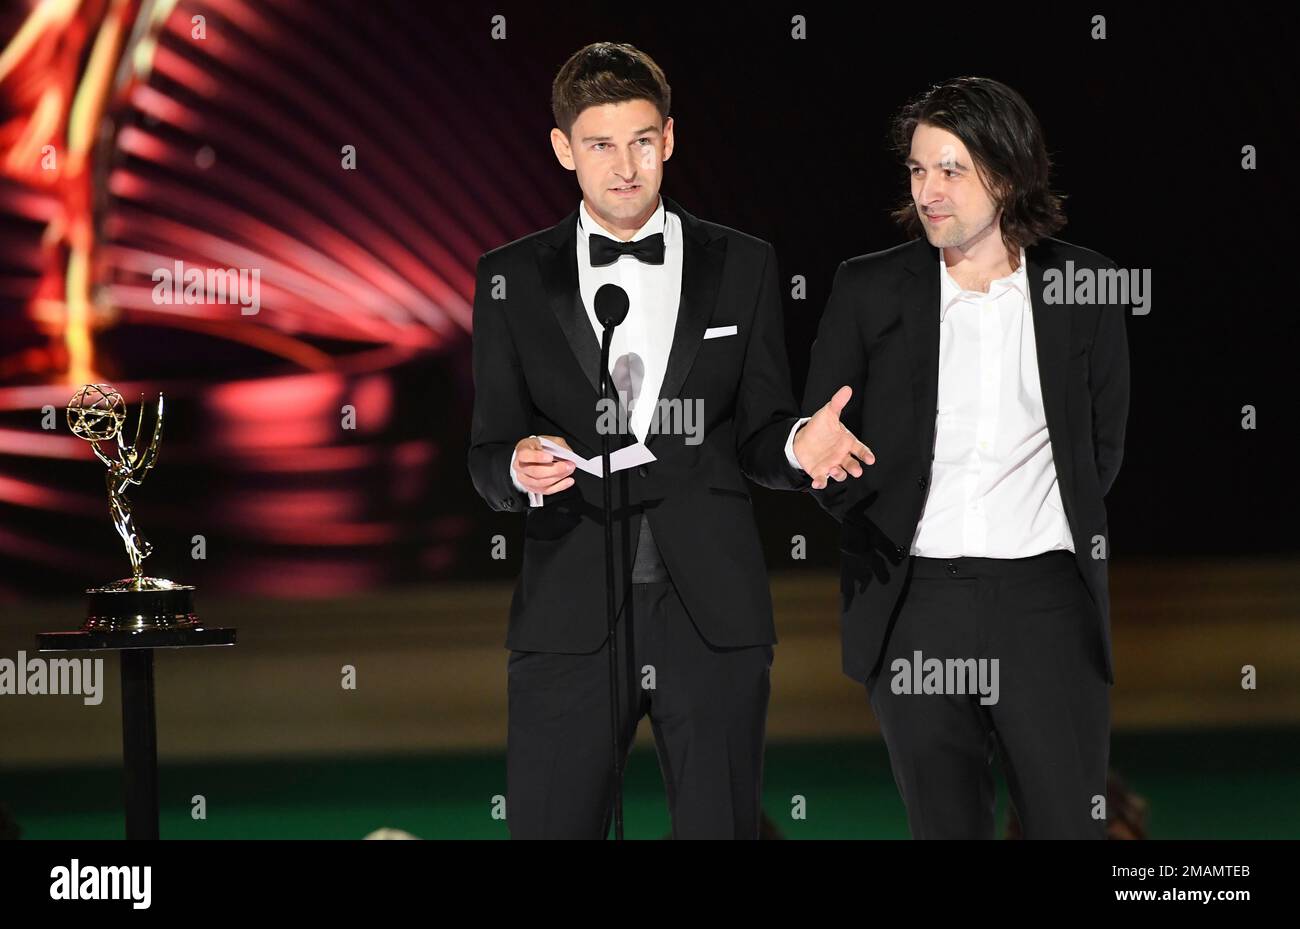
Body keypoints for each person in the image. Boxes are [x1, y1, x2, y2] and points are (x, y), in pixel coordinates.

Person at [467, 42, 865, 838]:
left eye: (642, 141)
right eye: (601, 144)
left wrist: (796, 448)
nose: (625, 166)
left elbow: (759, 428)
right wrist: (515, 465)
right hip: (569, 613)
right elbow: (487, 453)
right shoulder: (508, 277)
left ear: (671, 138)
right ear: (562, 149)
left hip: (712, 611)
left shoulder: (743, 264)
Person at [802, 76, 1130, 838]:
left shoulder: (1087, 285)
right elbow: (823, 439)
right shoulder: (867, 288)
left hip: (1046, 606)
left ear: (1008, 173)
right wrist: (822, 468)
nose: (929, 189)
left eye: (951, 168)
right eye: (918, 170)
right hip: (914, 605)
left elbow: (1101, 448)